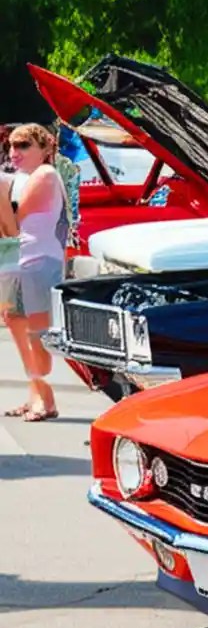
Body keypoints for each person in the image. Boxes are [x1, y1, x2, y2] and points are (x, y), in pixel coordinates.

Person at [1, 124, 67, 422]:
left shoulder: (45, 175)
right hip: (17, 260)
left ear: (45, 149)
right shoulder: (18, 178)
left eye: (24, 145)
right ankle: (35, 394)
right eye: (12, 146)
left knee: (37, 332)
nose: (15, 152)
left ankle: (46, 396)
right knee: (15, 323)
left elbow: (13, 221)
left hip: (42, 261)